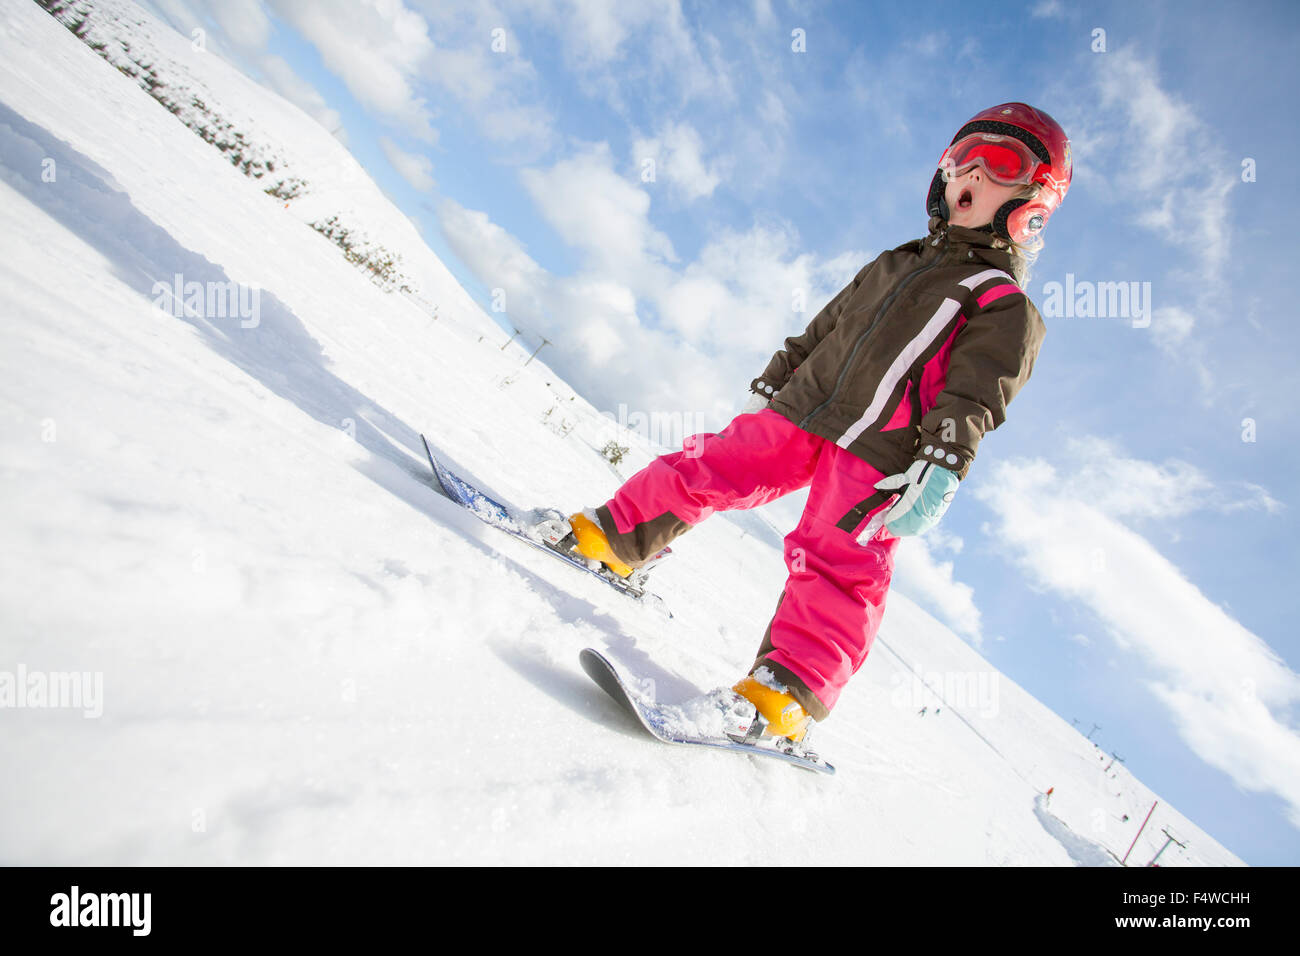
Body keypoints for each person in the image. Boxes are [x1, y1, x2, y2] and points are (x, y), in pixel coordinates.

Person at [541, 103, 1072, 750]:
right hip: (807, 407)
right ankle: (613, 539)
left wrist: (944, 460)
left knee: (837, 558)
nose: (973, 169)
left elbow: (979, 390)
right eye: (961, 156)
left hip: (886, 450)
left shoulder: (1001, 301)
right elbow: (831, 324)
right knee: (709, 465)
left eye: (1002, 163)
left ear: (1034, 201)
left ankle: (783, 696)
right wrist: (784, 370)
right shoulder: (894, 263)